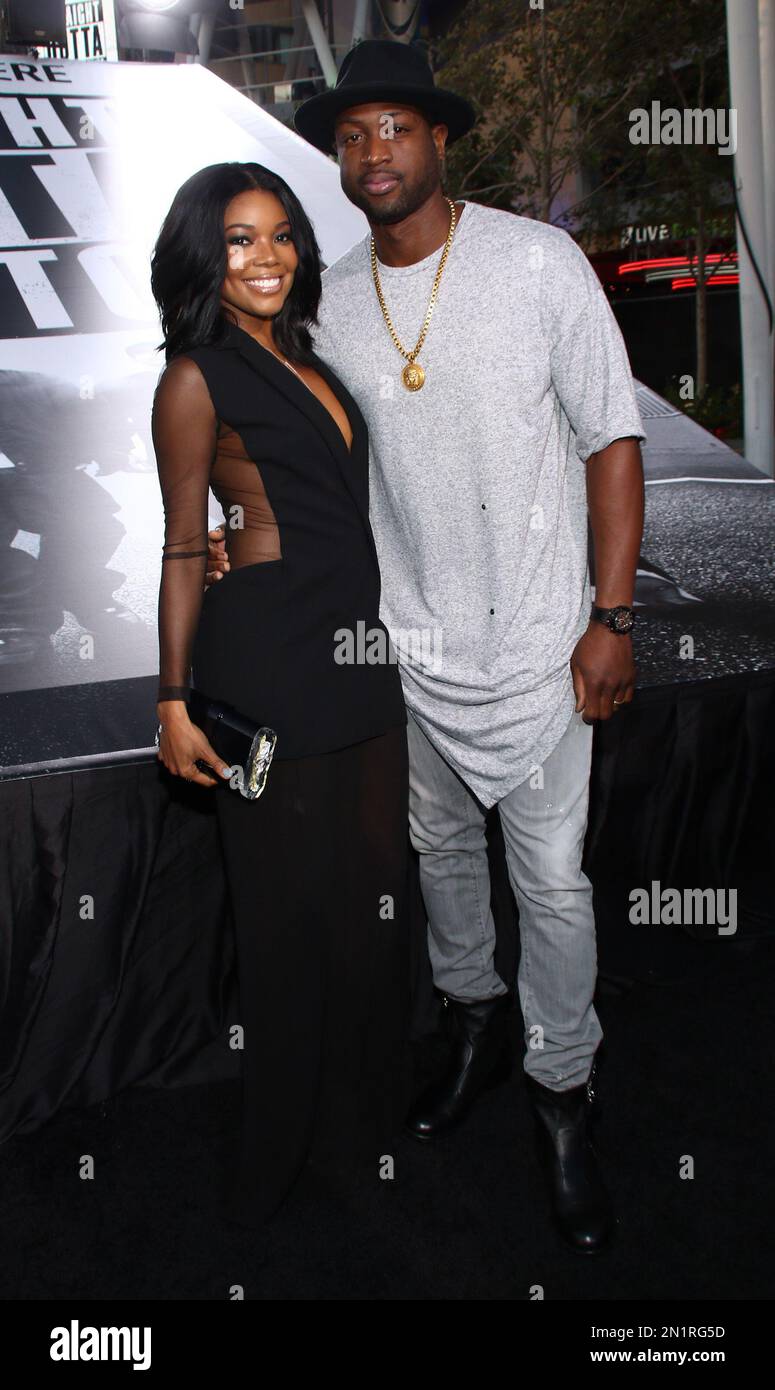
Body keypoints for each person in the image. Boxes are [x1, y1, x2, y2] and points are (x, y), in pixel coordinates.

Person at [209, 40, 647, 1253]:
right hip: (410, 655)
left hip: (546, 646)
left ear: (441, 141)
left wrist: (610, 618)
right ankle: (473, 1028)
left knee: (550, 885)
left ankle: (564, 1092)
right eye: (352, 136)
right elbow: (299, 461)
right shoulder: (333, 299)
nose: (372, 153)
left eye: (394, 128)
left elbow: (613, 437)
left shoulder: (537, 262)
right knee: (442, 860)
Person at [150, 161, 411, 1228]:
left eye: (282, 235)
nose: (268, 257)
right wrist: (172, 699)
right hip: (267, 666)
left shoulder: (310, 358)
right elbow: (179, 546)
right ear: (207, 258)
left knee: (370, 915)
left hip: (357, 661)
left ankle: (357, 1136)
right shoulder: (195, 377)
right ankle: (270, 1166)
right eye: (242, 239)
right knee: (284, 925)